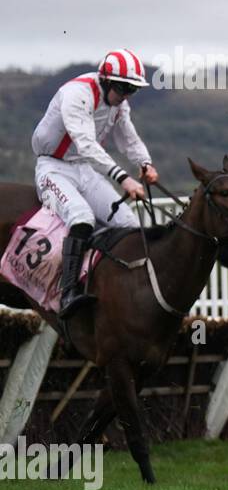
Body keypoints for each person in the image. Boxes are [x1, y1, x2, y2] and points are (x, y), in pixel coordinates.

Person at [31, 49, 156, 317]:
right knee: (82, 217)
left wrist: (145, 163)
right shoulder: (78, 94)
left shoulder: (120, 103)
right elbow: (86, 144)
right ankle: (68, 294)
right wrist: (124, 178)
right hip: (53, 168)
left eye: (132, 90)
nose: (125, 96)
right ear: (106, 81)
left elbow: (128, 139)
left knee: (130, 225)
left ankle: (119, 289)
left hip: (85, 170)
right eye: (123, 88)